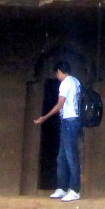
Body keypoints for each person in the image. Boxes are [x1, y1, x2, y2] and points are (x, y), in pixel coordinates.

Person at [33, 60, 82, 201]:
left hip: (69, 122)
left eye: (57, 74)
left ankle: (74, 190)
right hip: (72, 122)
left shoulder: (66, 83)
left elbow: (60, 104)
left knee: (71, 157)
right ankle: (61, 188)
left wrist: (45, 117)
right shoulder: (76, 81)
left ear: (59, 71)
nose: (57, 76)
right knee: (61, 157)